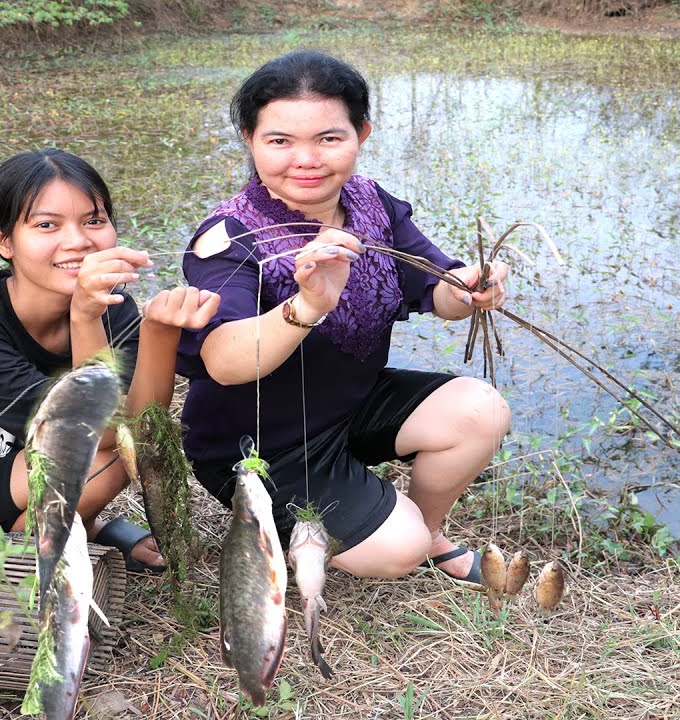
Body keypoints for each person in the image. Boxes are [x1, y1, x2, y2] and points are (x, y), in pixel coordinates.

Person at [176, 50, 511, 587]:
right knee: (394, 551)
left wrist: (469, 288)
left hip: (347, 410)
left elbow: (435, 288)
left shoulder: (370, 203)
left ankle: (427, 531)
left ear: (362, 133)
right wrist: (306, 306)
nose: (305, 159)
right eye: (280, 141)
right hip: (259, 446)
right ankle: (399, 538)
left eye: (329, 138)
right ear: (249, 139)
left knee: (481, 411)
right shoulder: (230, 238)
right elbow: (223, 361)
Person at [0, 148, 219, 572]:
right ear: (4, 240)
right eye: (46, 225)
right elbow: (94, 438)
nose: (78, 241)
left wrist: (158, 331)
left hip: (27, 473)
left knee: (130, 444)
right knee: (104, 453)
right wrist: (84, 315)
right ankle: (46, 544)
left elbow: (141, 422)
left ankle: (76, 529)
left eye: (94, 221)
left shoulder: (113, 307)